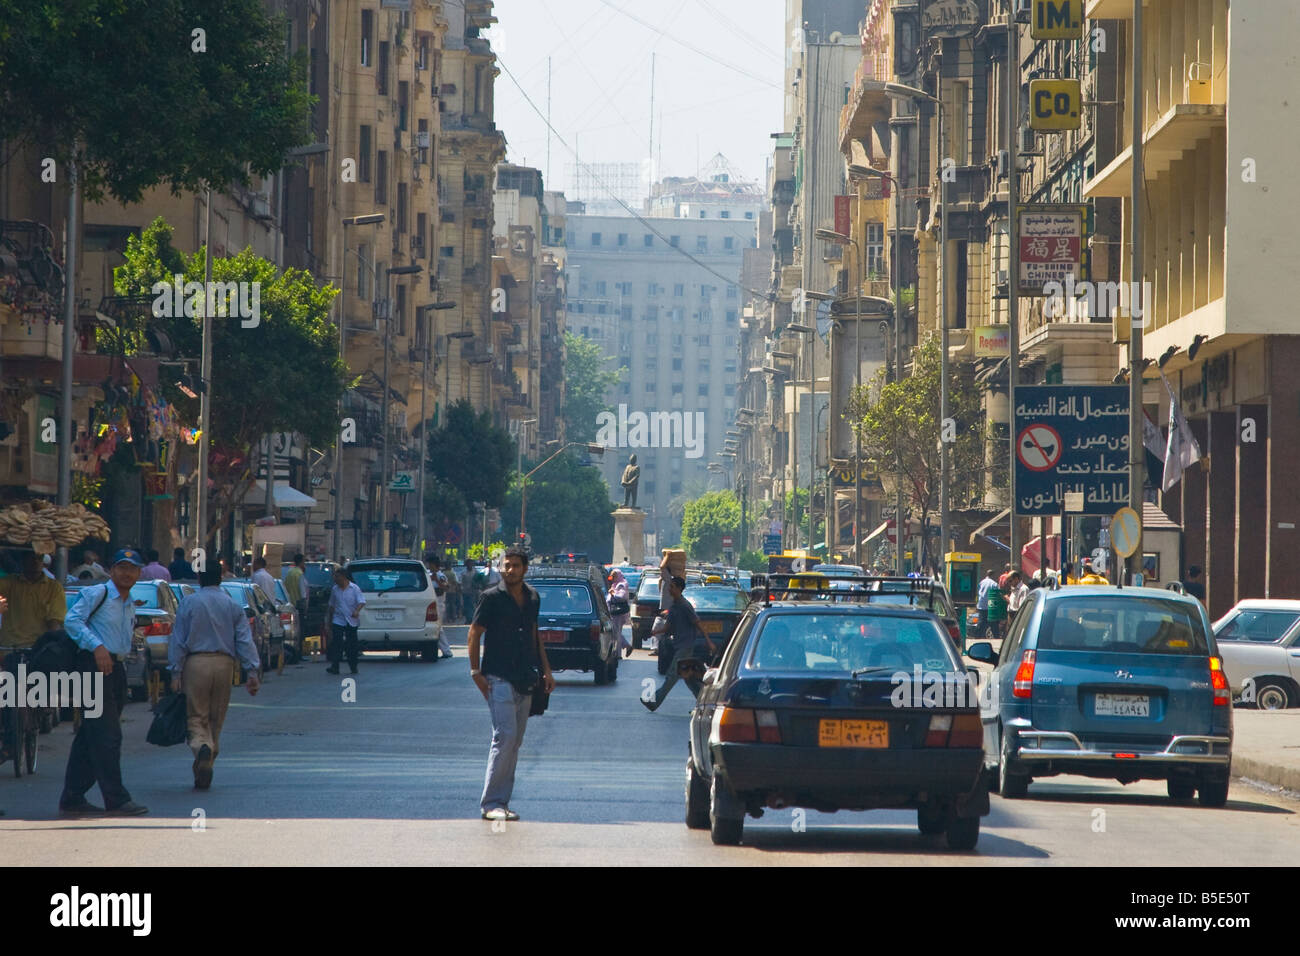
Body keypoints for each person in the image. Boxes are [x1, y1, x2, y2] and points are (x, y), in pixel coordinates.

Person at [59, 549, 150, 816]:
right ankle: (117, 799)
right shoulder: (96, 594)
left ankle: (73, 796)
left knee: (91, 735)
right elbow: (72, 621)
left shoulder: (130, 601)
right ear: (111, 570)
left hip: (116, 668)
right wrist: (96, 646)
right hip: (94, 667)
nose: (126, 573)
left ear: (139, 573)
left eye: (132, 568)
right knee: (108, 735)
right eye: (121, 567)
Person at [467, 546, 554, 821]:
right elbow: (474, 633)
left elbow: (533, 633)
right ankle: (491, 802)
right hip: (497, 675)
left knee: (514, 741)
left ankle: (501, 802)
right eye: (506, 565)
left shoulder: (532, 598)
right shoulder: (491, 598)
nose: (510, 570)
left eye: (515, 565)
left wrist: (546, 671)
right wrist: (475, 672)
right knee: (504, 737)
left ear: (525, 568)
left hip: (525, 678)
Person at [168, 566, 261, 789]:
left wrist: (175, 672)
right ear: (220, 579)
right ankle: (207, 758)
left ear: (199, 578)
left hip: (195, 663)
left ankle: (201, 747)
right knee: (216, 718)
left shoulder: (189, 602)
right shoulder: (232, 605)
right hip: (224, 664)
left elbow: (178, 639)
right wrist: (253, 672)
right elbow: (244, 640)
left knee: (196, 715)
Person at [641, 575, 717, 712]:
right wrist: (653, 633)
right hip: (680, 646)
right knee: (690, 679)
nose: (670, 589)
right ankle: (706, 703)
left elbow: (697, 623)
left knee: (671, 675)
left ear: (680, 589)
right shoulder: (674, 606)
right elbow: (667, 627)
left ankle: (654, 702)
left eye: (672, 586)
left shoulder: (685, 605)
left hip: (685, 647)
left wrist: (709, 641)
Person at [0, 551, 66, 649]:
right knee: (20, 665)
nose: (35, 562)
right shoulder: (8, 584)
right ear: (23, 561)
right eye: (31, 558)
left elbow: (55, 621)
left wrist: (52, 646)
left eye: (39, 558)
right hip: (12, 648)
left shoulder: (54, 587)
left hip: (39, 649)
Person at [324, 567, 365, 675]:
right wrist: (329, 622)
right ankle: (335, 666)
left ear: (343, 577)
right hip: (338, 620)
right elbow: (331, 606)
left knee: (351, 645)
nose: (335, 578)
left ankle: (353, 666)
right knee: (337, 643)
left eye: (337, 576)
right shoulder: (335, 589)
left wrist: (356, 611)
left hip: (351, 620)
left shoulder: (354, 588)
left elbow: (361, 602)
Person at [425, 553, 454, 659]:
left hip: (438, 604)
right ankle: (445, 650)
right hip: (429, 604)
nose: (428, 566)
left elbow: (446, 588)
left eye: (430, 564)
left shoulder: (440, 576)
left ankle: (446, 651)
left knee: (437, 628)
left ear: (434, 564)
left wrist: (436, 580)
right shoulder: (428, 574)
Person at [606, 568, 633, 658]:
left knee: (615, 633)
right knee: (616, 633)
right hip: (614, 612)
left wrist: (613, 593)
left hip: (618, 613)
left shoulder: (621, 585)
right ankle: (619, 652)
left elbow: (621, 597)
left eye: (614, 576)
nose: (612, 578)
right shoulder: (616, 584)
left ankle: (623, 649)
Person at [283, 553, 308, 636]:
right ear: (301, 562)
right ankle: (301, 647)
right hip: (299, 605)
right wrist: (305, 607)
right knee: (301, 629)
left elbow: (286, 587)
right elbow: (303, 593)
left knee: (294, 629)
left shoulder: (290, 572)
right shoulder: (299, 574)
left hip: (290, 605)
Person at [975, 569, 1003, 641]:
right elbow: (998, 595)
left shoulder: (981, 582)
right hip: (991, 607)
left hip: (981, 606)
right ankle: (996, 637)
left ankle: (977, 637)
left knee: (981, 623)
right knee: (993, 623)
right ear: (993, 575)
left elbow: (978, 593)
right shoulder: (994, 584)